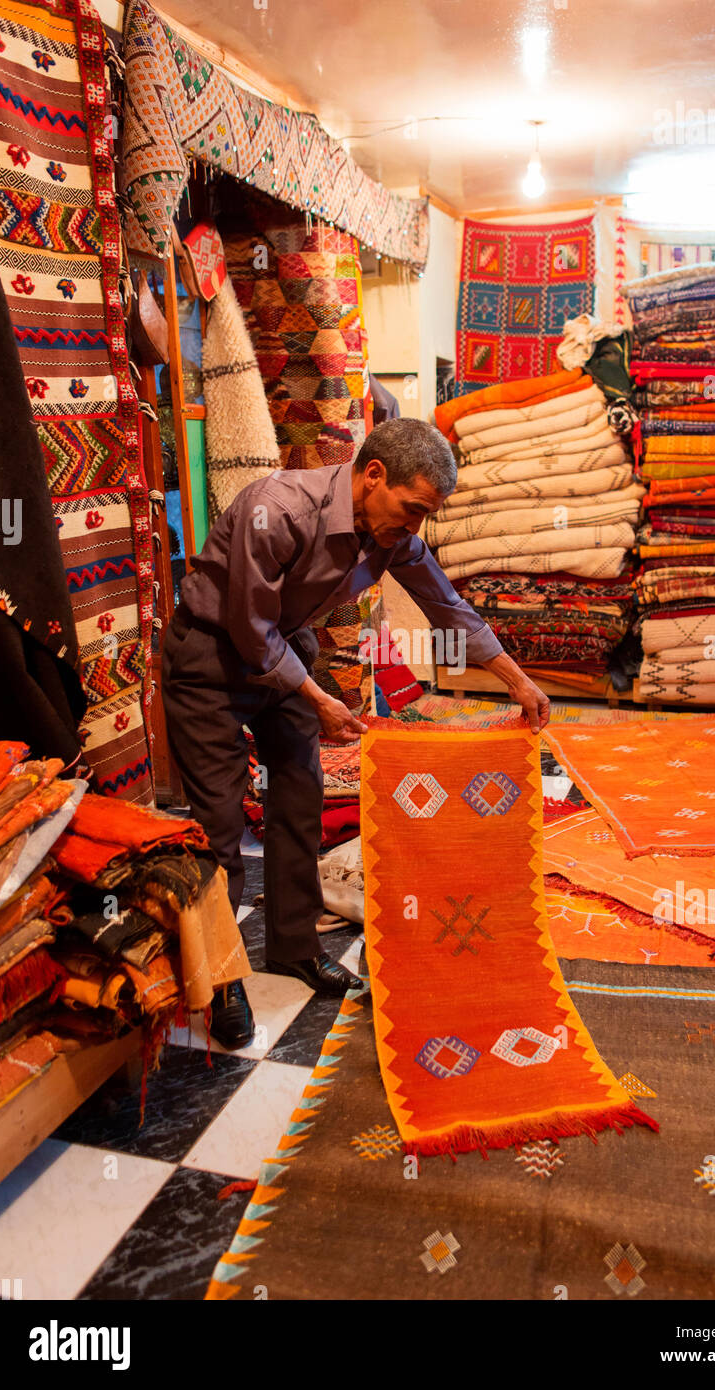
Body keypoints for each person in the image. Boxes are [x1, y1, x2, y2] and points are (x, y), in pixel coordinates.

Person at [162, 418, 550, 1048]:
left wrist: (516, 681)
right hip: (210, 656)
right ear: (373, 476)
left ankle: (293, 945)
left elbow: (448, 606)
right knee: (221, 822)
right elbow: (248, 625)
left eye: (427, 515)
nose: (415, 527)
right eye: (413, 509)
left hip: (282, 652)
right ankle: (221, 976)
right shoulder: (278, 510)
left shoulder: (391, 534)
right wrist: (315, 698)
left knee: (300, 798)